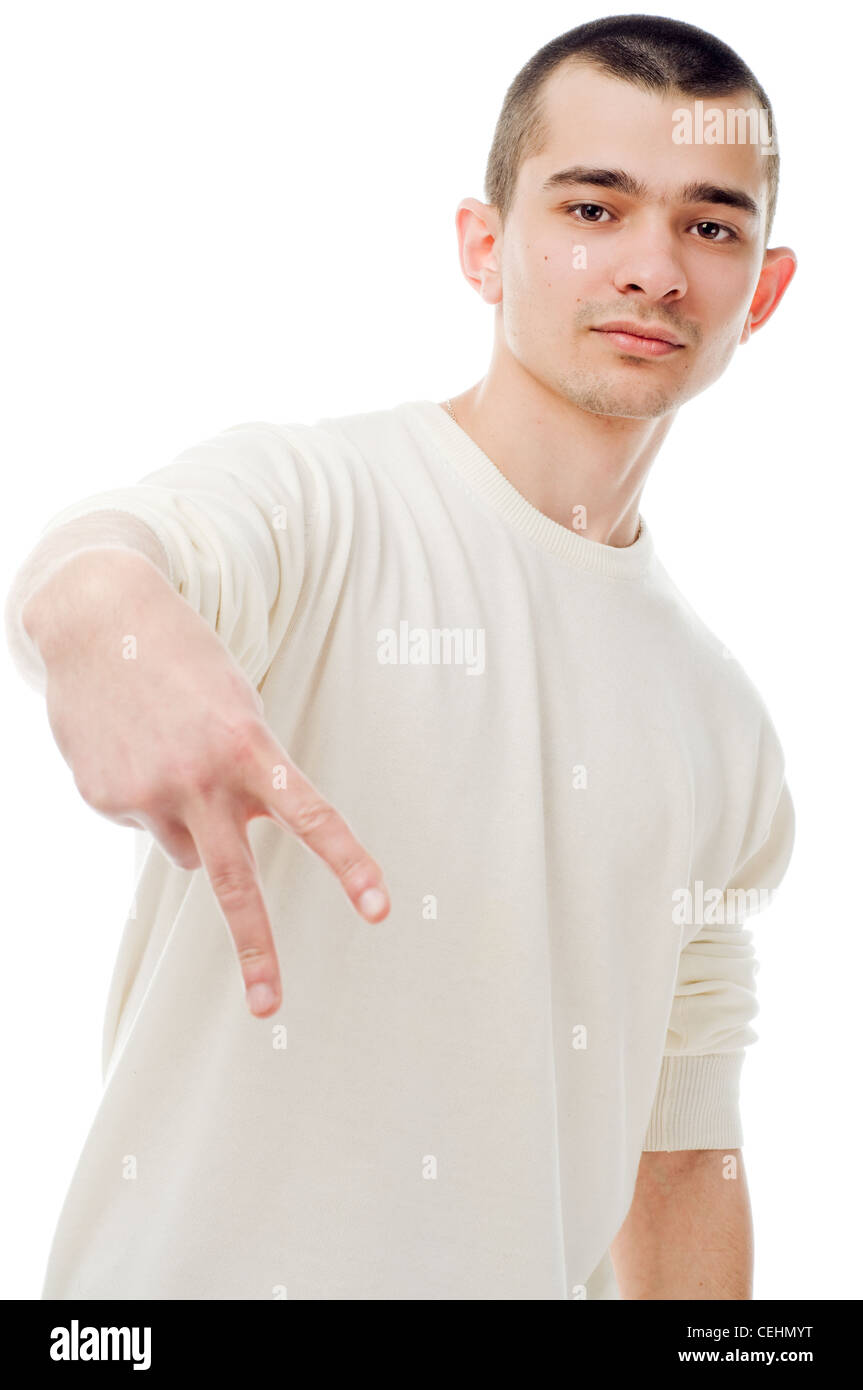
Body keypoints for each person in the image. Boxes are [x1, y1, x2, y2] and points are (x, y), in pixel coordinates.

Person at [5, 14, 796, 1300]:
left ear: (760, 289)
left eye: (709, 225)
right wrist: (106, 628)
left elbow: (683, 1142)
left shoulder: (727, 729)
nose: (653, 268)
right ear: (484, 248)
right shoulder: (322, 502)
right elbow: (107, 557)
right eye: (592, 208)